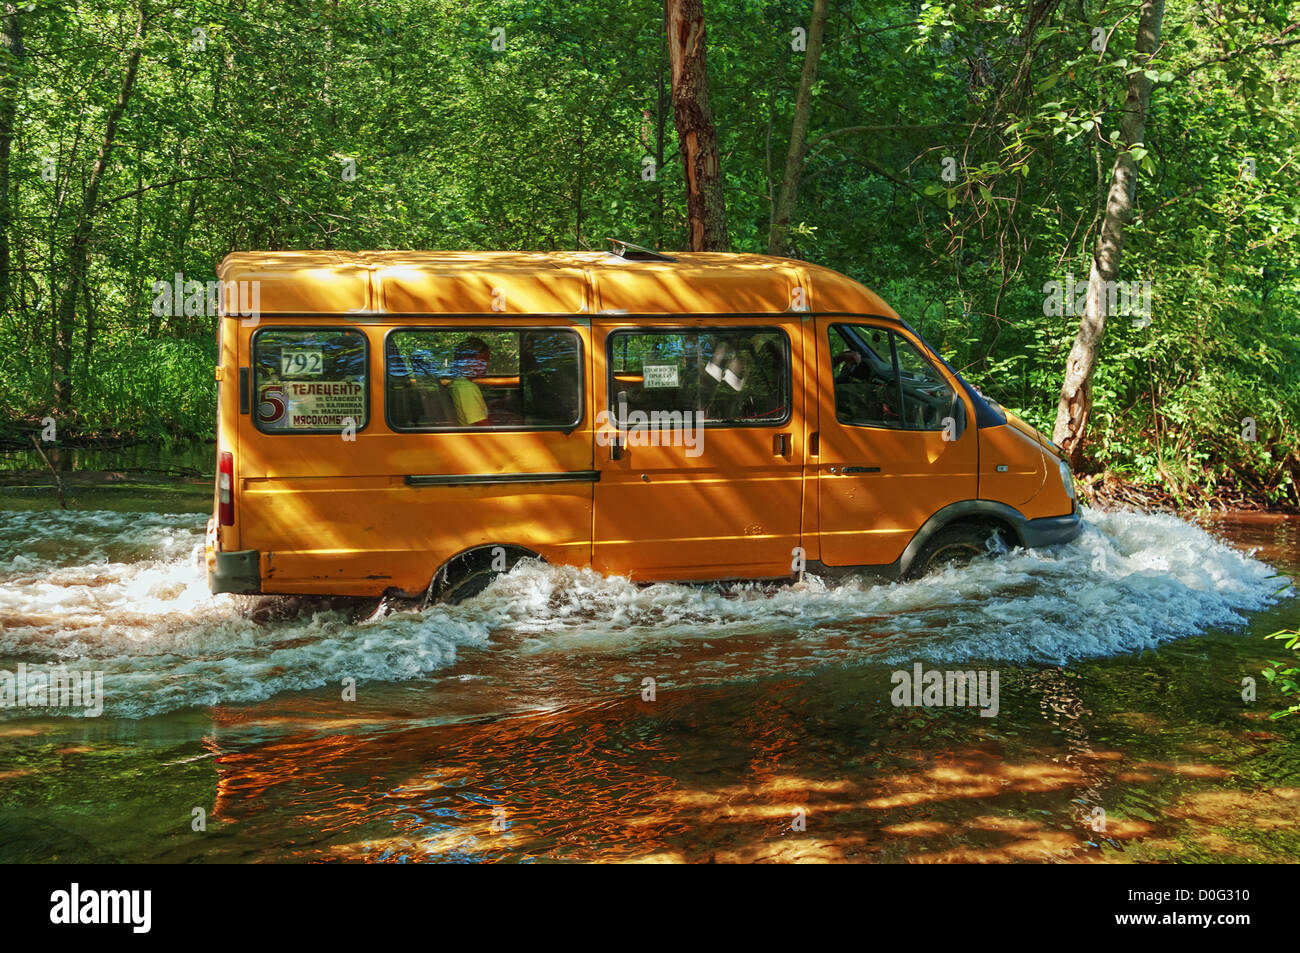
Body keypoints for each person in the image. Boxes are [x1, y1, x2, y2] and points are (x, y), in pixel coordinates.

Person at [447, 337, 491, 426]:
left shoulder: (457, 382)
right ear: (466, 361)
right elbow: (482, 425)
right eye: (482, 360)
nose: (486, 365)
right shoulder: (467, 388)